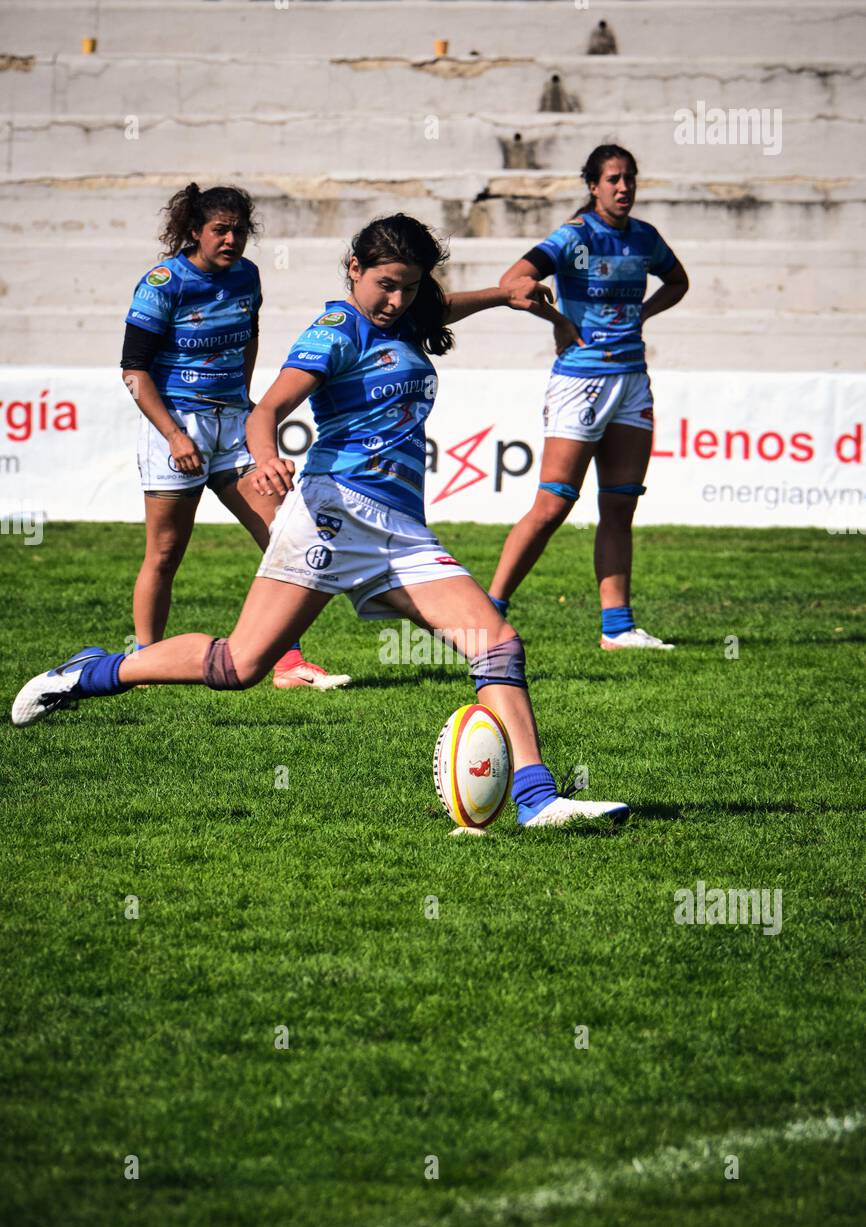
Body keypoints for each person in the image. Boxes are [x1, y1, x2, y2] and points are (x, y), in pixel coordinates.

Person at [13, 215, 628, 831]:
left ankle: (538, 801)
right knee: (238, 668)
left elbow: (436, 309)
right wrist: (265, 456)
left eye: (410, 287)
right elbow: (271, 408)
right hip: (332, 517)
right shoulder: (337, 329)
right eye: (386, 284)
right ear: (354, 271)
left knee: (496, 644)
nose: (397, 300)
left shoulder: (407, 316)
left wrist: (503, 296)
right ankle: (90, 672)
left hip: (400, 531)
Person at [120, 180, 348, 690]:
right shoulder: (163, 283)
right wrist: (176, 436)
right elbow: (134, 370)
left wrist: (246, 404)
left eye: (239, 231)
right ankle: (141, 663)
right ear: (194, 232)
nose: (231, 240)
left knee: (282, 539)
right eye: (220, 230)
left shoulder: (247, 276)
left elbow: (251, 334)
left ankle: (287, 664)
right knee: (165, 551)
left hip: (233, 425)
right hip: (175, 424)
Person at [487, 145, 689, 650]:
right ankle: (489, 611)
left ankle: (617, 628)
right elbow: (513, 281)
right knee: (553, 505)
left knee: (620, 506)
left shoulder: (644, 237)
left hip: (631, 381)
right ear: (593, 186)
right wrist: (556, 319)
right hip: (580, 381)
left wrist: (643, 314)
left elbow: (678, 281)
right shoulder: (574, 236)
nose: (624, 187)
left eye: (630, 178)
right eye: (614, 179)